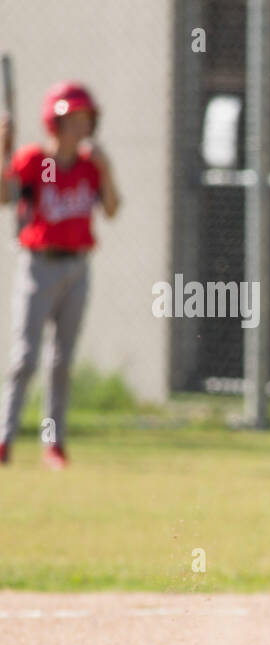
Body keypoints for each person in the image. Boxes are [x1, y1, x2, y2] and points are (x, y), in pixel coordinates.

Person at [0, 81, 120, 468]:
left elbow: (112, 209)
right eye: (74, 118)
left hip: (77, 267)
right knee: (25, 358)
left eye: (87, 118)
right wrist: (3, 151)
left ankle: (53, 443)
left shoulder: (89, 166)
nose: (82, 125)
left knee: (61, 361)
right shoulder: (39, 161)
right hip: (39, 266)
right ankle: (4, 439)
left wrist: (107, 169)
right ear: (55, 121)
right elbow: (5, 197)